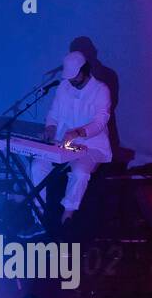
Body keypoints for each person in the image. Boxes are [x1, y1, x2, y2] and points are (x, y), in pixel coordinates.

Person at [31, 51, 113, 226]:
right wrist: (51, 128)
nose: (72, 81)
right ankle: (38, 212)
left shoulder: (101, 90)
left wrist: (78, 133)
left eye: (76, 77)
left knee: (80, 173)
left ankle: (67, 214)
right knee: (38, 166)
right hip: (61, 144)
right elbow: (53, 114)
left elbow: (100, 121)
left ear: (85, 70)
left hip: (90, 145)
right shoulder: (63, 87)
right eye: (69, 78)